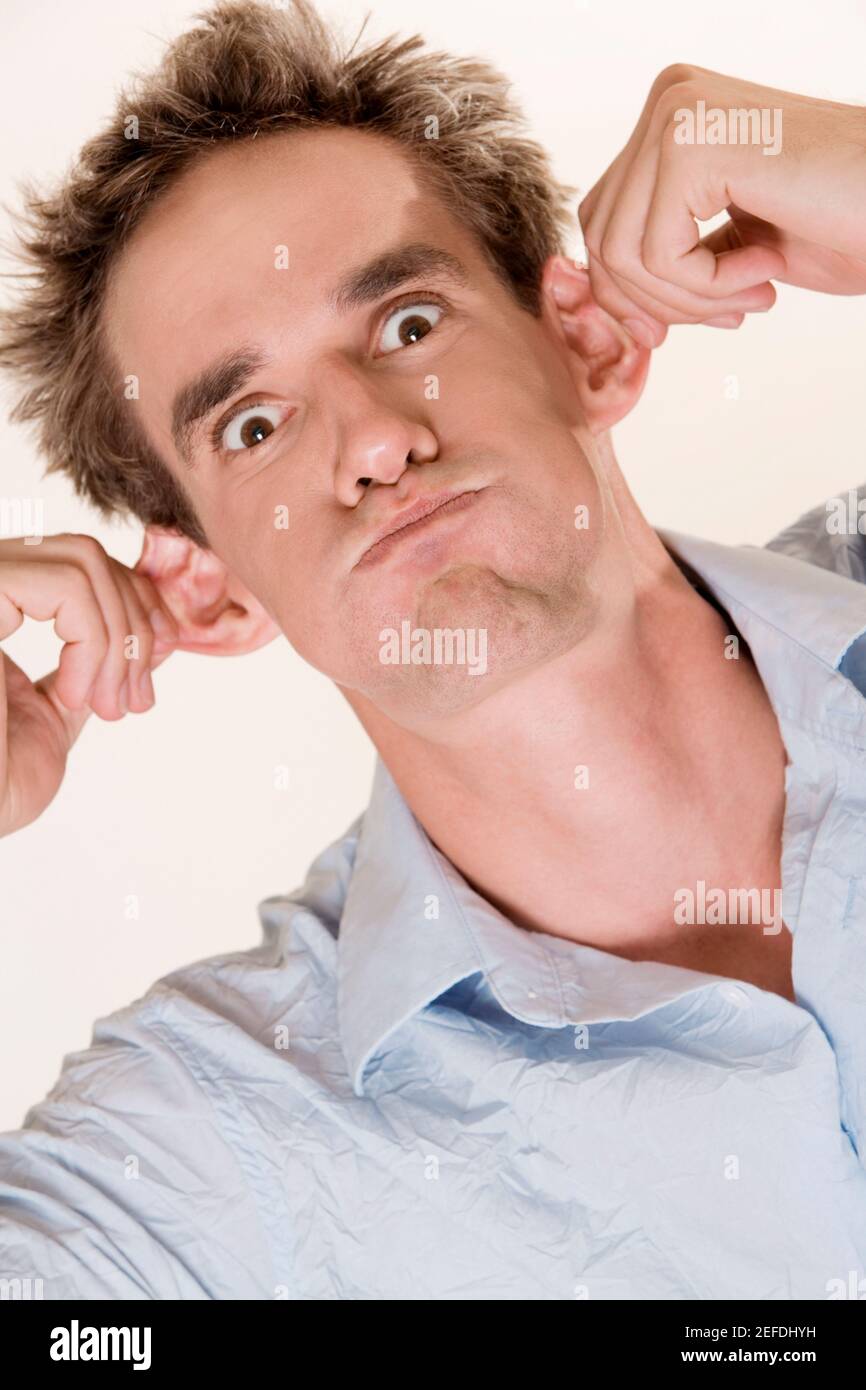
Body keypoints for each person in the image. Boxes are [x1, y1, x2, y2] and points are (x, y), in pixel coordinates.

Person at [1, 0, 865, 1300]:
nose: (368, 439)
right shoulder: (204, 1135)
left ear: (581, 339)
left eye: (408, 323)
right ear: (211, 581)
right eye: (251, 426)